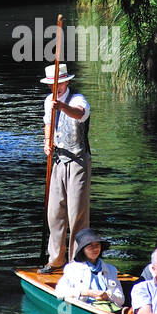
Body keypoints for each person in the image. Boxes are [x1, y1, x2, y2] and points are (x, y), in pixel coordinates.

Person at [40, 63, 91, 271]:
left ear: (66, 81)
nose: (56, 87)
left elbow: (79, 114)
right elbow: (48, 123)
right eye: (53, 84)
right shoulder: (48, 101)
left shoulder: (78, 99)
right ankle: (56, 259)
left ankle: (76, 262)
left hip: (78, 161)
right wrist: (46, 141)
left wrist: (61, 107)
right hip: (59, 161)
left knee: (76, 213)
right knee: (55, 212)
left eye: (59, 83)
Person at [55, 227, 125, 308]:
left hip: (110, 310)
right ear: (83, 250)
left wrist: (107, 296)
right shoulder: (72, 269)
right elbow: (59, 292)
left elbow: (121, 299)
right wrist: (86, 293)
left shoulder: (111, 269)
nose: (95, 249)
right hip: (85, 309)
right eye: (90, 246)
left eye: (97, 245)